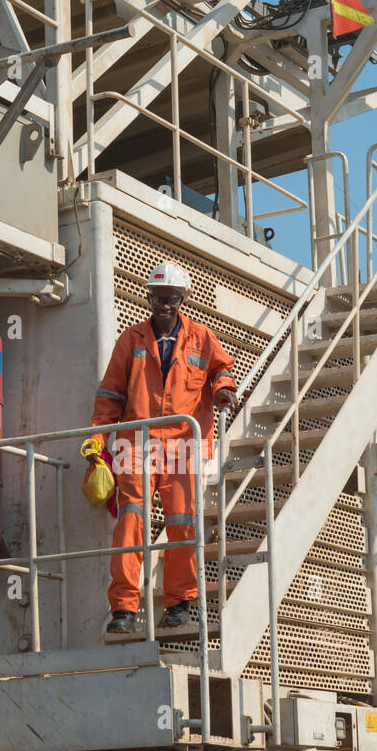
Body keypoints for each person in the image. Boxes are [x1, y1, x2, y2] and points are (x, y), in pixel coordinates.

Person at [85, 260, 238, 634]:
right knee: (131, 521)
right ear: (149, 298)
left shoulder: (202, 338)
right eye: (158, 297)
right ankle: (123, 608)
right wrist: (96, 440)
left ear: (182, 298)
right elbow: (109, 396)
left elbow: (222, 369)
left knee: (182, 523)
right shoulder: (130, 340)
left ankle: (179, 603)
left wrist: (223, 389)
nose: (164, 304)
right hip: (137, 443)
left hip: (184, 444)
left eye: (171, 297)